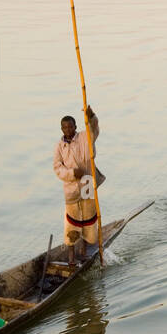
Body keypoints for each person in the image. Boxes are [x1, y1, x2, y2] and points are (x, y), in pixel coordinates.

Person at [53, 106, 105, 268]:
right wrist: (72, 173)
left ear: (75, 127)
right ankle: (71, 255)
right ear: (61, 128)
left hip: (87, 183)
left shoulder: (84, 137)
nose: (68, 129)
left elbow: (95, 127)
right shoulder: (59, 146)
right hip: (71, 189)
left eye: (70, 126)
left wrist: (91, 115)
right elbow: (57, 168)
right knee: (72, 222)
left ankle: (83, 250)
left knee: (88, 219)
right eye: (65, 127)